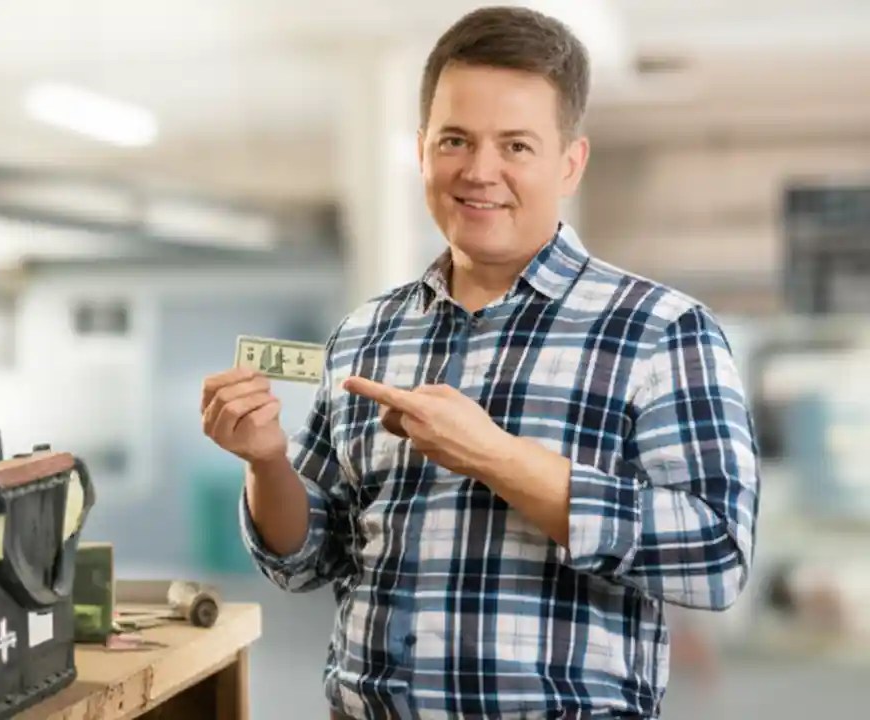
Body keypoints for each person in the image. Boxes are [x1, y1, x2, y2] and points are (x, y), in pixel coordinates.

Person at [199, 5, 760, 719]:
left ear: (570, 162)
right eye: (455, 140)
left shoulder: (661, 330)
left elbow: (716, 557)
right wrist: (266, 463)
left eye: (516, 146)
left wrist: (496, 456)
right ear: (423, 148)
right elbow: (308, 558)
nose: (479, 171)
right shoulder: (366, 333)